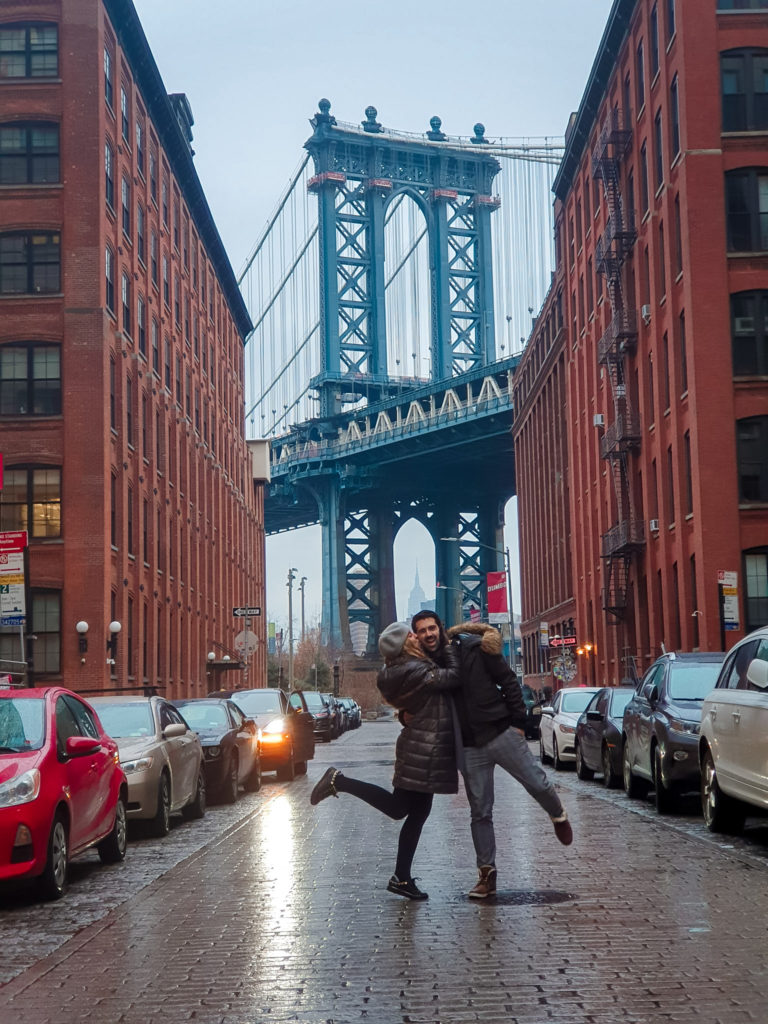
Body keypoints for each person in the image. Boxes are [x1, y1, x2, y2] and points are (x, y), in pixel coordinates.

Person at [411, 610, 572, 900]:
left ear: (441, 628)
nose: (428, 634)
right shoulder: (424, 667)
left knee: (538, 784)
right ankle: (486, 876)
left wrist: (518, 724)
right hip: (469, 747)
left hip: (501, 733)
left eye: (431, 628)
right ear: (417, 636)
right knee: (480, 812)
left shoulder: (473, 648)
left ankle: (557, 814)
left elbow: (509, 681)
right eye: (421, 631)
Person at [309, 621, 460, 901]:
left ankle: (401, 878)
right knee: (400, 809)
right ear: (405, 644)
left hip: (419, 745)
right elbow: (453, 677)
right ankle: (339, 781)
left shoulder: (399, 670)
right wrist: (448, 646)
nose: (417, 635)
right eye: (411, 634)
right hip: (422, 748)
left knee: (415, 812)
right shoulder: (417, 670)